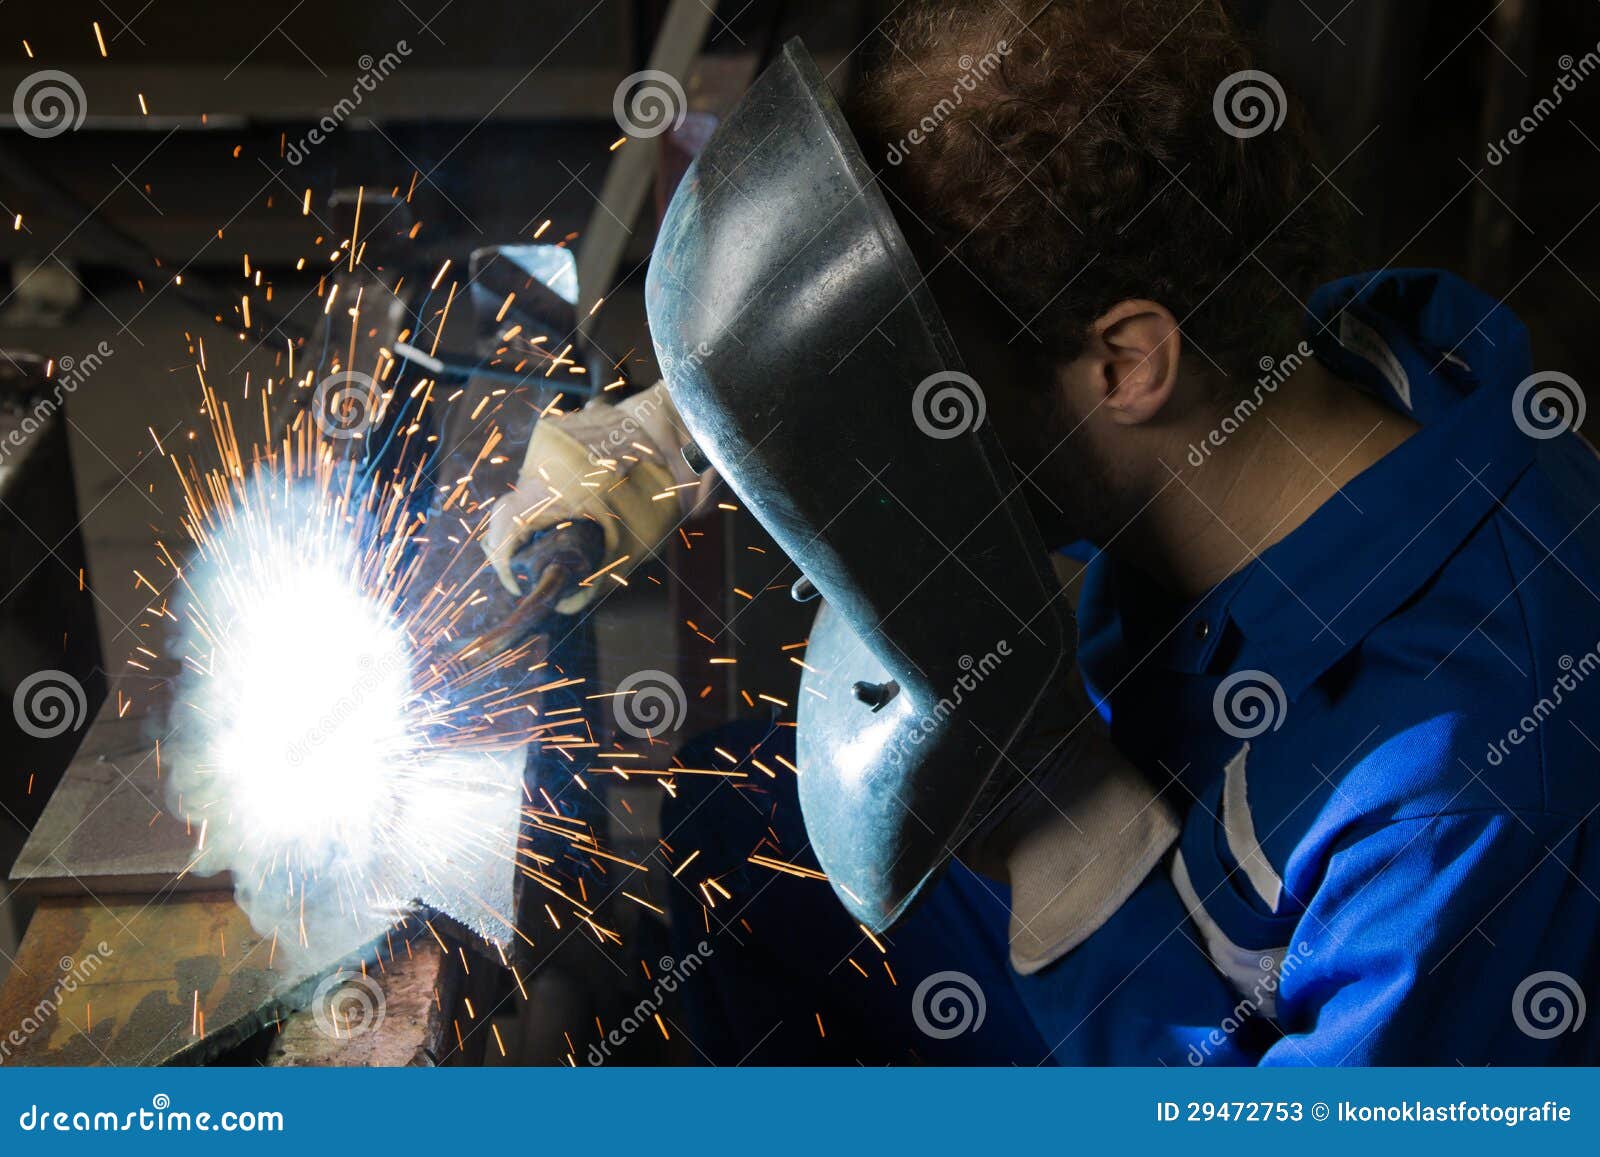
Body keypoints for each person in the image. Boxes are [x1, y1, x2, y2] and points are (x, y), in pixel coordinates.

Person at [486, 0, 1600, 1064]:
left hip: (1176, 1030)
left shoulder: (1459, 801)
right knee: (733, 827)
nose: (909, 401)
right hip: (1135, 773)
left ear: (1123, 364)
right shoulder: (1273, 350)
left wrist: (1074, 867)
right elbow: (934, 284)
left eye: (929, 380)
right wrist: (697, 413)